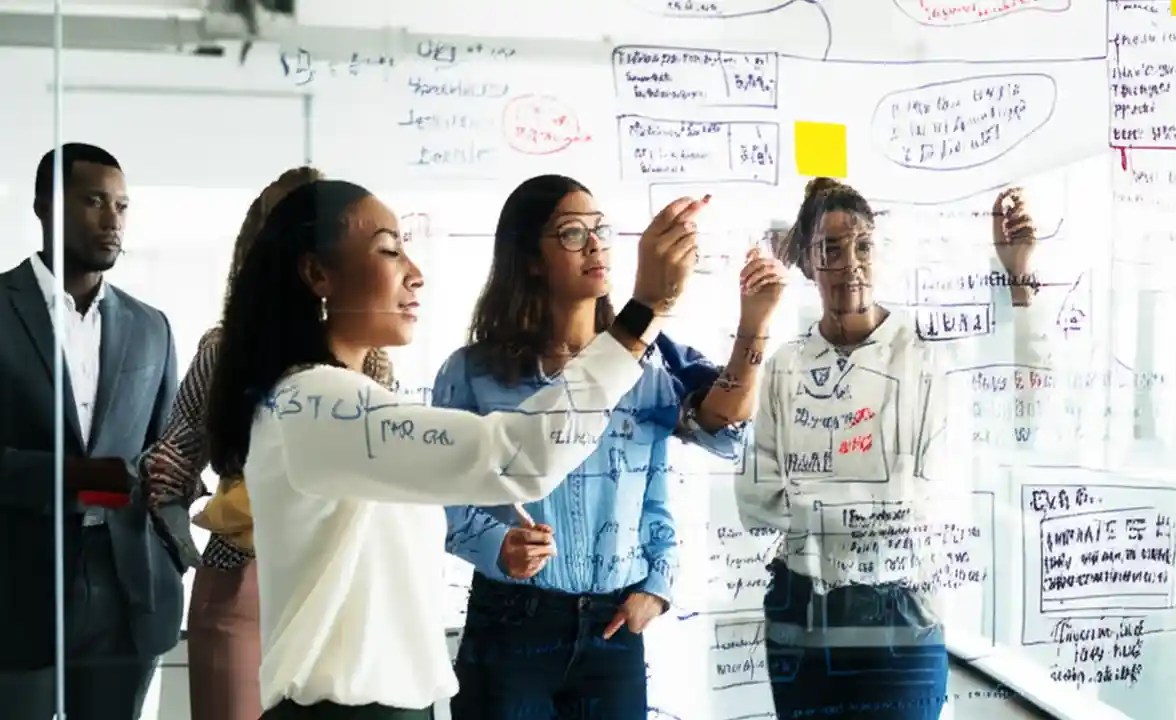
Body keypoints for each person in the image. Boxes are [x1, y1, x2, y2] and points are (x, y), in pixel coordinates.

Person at [205, 178, 704, 720]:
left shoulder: (344, 400)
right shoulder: (316, 402)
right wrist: (643, 312)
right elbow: (520, 455)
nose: (415, 273)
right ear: (318, 273)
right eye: (389, 250)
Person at [434, 174, 786, 720]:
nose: (595, 244)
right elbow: (447, 502)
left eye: (601, 229)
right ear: (529, 258)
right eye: (572, 233)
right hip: (511, 626)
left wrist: (755, 322)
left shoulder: (649, 363)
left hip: (614, 627)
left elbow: (722, 420)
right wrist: (499, 545)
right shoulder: (472, 373)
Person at [737, 178, 1052, 720]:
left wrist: (1019, 273)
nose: (850, 263)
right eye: (829, 249)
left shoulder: (925, 350)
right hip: (803, 612)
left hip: (901, 610)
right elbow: (755, 500)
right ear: (809, 266)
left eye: (862, 245)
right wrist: (886, 498)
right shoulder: (787, 365)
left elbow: (1026, 410)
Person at [139, 167, 394, 720]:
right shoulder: (225, 350)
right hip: (244, 583)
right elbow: (171, 463)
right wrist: (191, 548)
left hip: (342, 592)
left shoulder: (371, 358)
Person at [0, 143, 182, 719]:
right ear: (45, 206)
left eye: (122, 206)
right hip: (15, 586)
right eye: (94, 202)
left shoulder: (151, 326)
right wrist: (81, 480)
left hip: (126, 588)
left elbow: (164, 451)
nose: (113, 221)